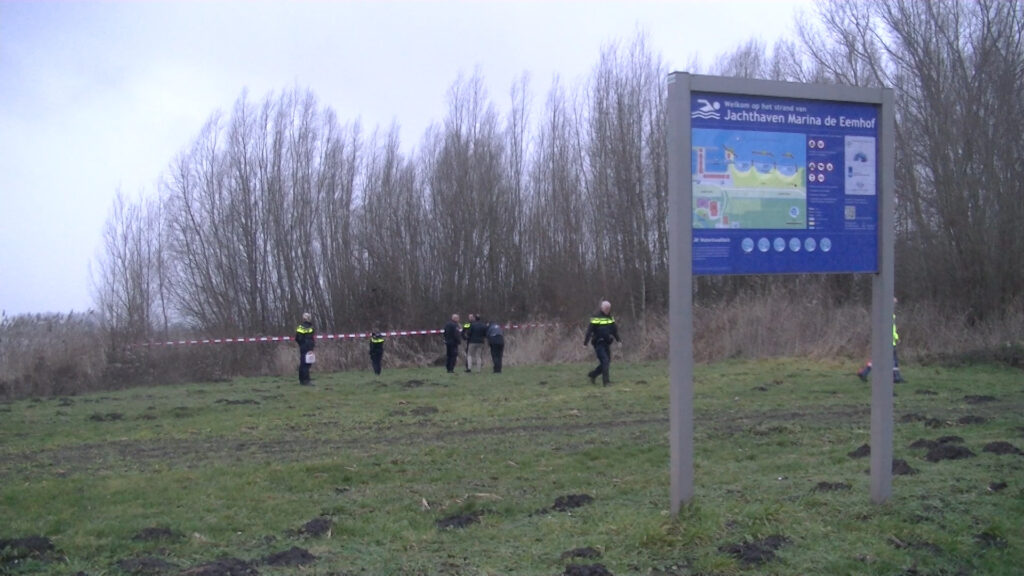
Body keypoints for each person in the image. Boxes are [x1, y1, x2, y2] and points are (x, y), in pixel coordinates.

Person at [857, 297, 905, 383]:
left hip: (882, 340)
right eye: (894, 304)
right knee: (893, 360)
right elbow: (891, 329)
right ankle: (896, 376)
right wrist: (896, 338)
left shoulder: (882, 313)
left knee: (879, 358)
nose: (895, 306)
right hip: (889, 341)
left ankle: (865, 372)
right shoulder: (889, 315)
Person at [583, 300, 621, 386]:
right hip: (598, 343)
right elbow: (589, 331)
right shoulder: (596, 317)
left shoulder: (611, 318)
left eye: (609, 308)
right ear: (602, 308)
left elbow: (614, 331)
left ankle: (593, 374)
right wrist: (585, 343)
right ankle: (606, 382)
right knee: (605, 361)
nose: (607, 310)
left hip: (607, 343)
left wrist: (618, 340)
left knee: (606, 362)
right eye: (606, 308)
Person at [295, 312, 316, 386]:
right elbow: (311, 338)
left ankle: (301, 380)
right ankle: (306, 381)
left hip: (303, 347)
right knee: (306, 364)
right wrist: (309, 346)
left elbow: (297, 338)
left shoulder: (300, 327)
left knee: (303, 364)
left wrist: (302, 345)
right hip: (307, 347)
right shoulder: (310, 327)